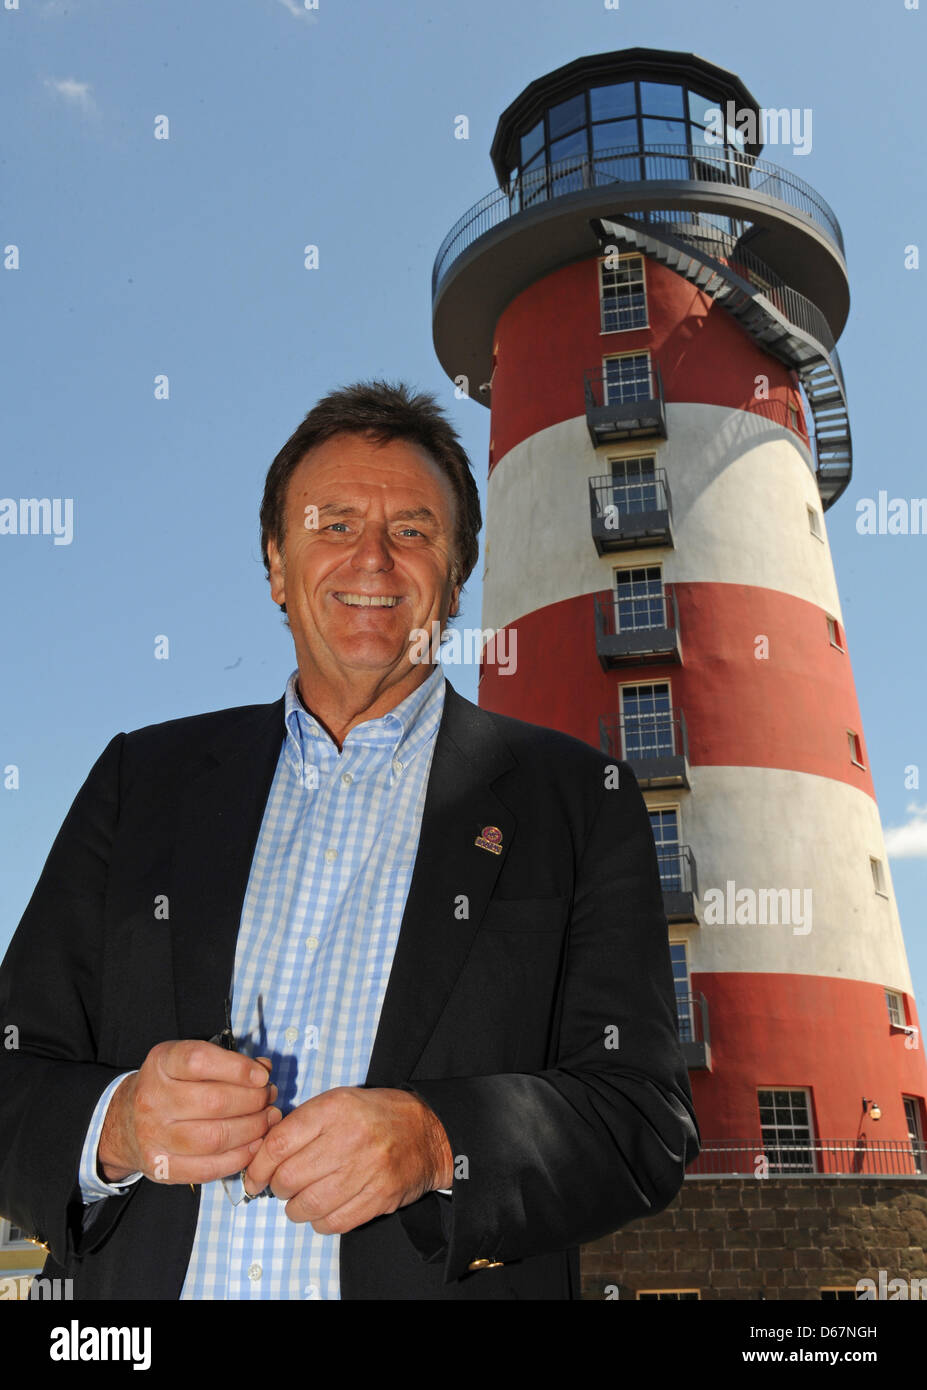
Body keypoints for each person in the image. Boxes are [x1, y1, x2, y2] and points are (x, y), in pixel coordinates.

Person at [0, 380, 699, 1300]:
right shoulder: (141, 783)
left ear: (455, 576)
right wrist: (118, 1123)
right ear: (276, 564)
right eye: (331, 524)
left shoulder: (580, 800)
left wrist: (438, 1142)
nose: (371, 558)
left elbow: (640, 1119)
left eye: (412, 530)